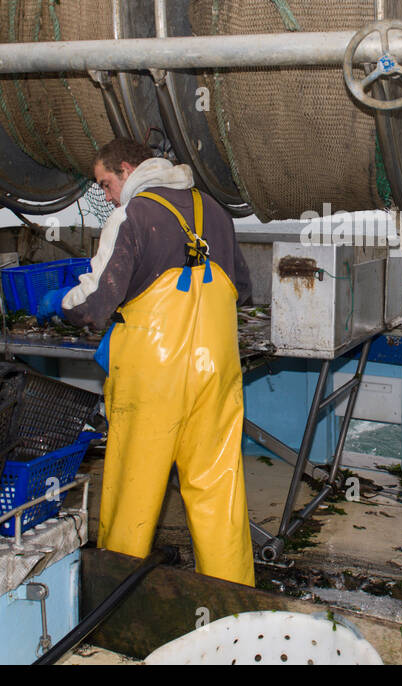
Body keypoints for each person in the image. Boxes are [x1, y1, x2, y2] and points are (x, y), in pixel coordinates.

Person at [38, 137, 255, 587]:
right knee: (219, 488)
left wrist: (59, 302)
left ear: (126, 168)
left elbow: (94, 303)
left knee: (133, 488)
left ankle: (117, 598)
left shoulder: (131, 215)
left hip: (153, 379)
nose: (106, 195)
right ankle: (233, 601)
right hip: (215, 374)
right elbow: (244, 289)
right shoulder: (215, 211)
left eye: (104, 183)